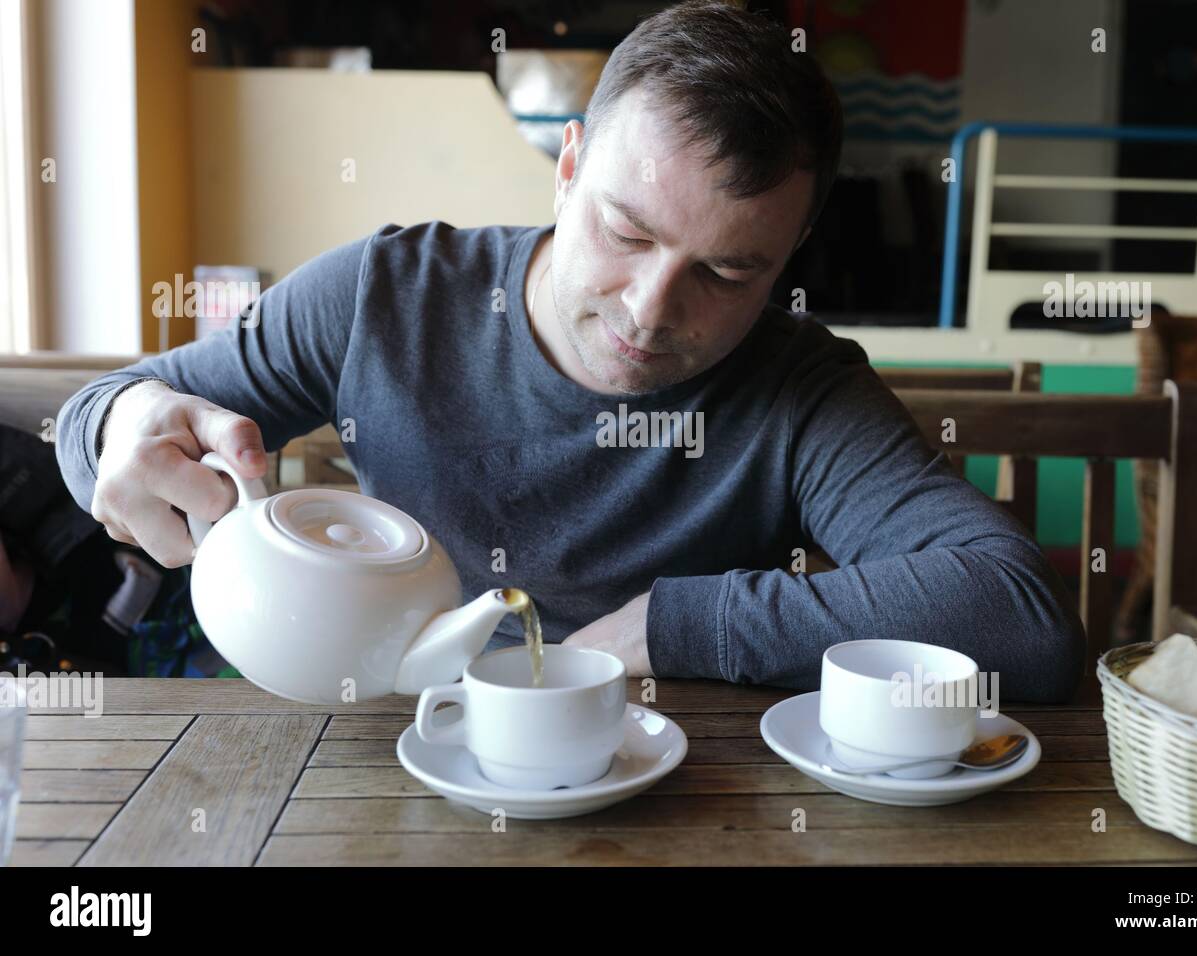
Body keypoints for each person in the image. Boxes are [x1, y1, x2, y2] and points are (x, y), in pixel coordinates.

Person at [56, 0, 1085, 698]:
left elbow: (1019, 613)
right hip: (387, 751)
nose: (648, 307)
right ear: (570, 164)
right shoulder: (385, 297)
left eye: (727, 273)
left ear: (787, 257)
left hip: (671, 782)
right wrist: (121, 424)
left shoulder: (800, 384)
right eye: (627, 232)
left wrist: (671, 627)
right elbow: (107, 411)